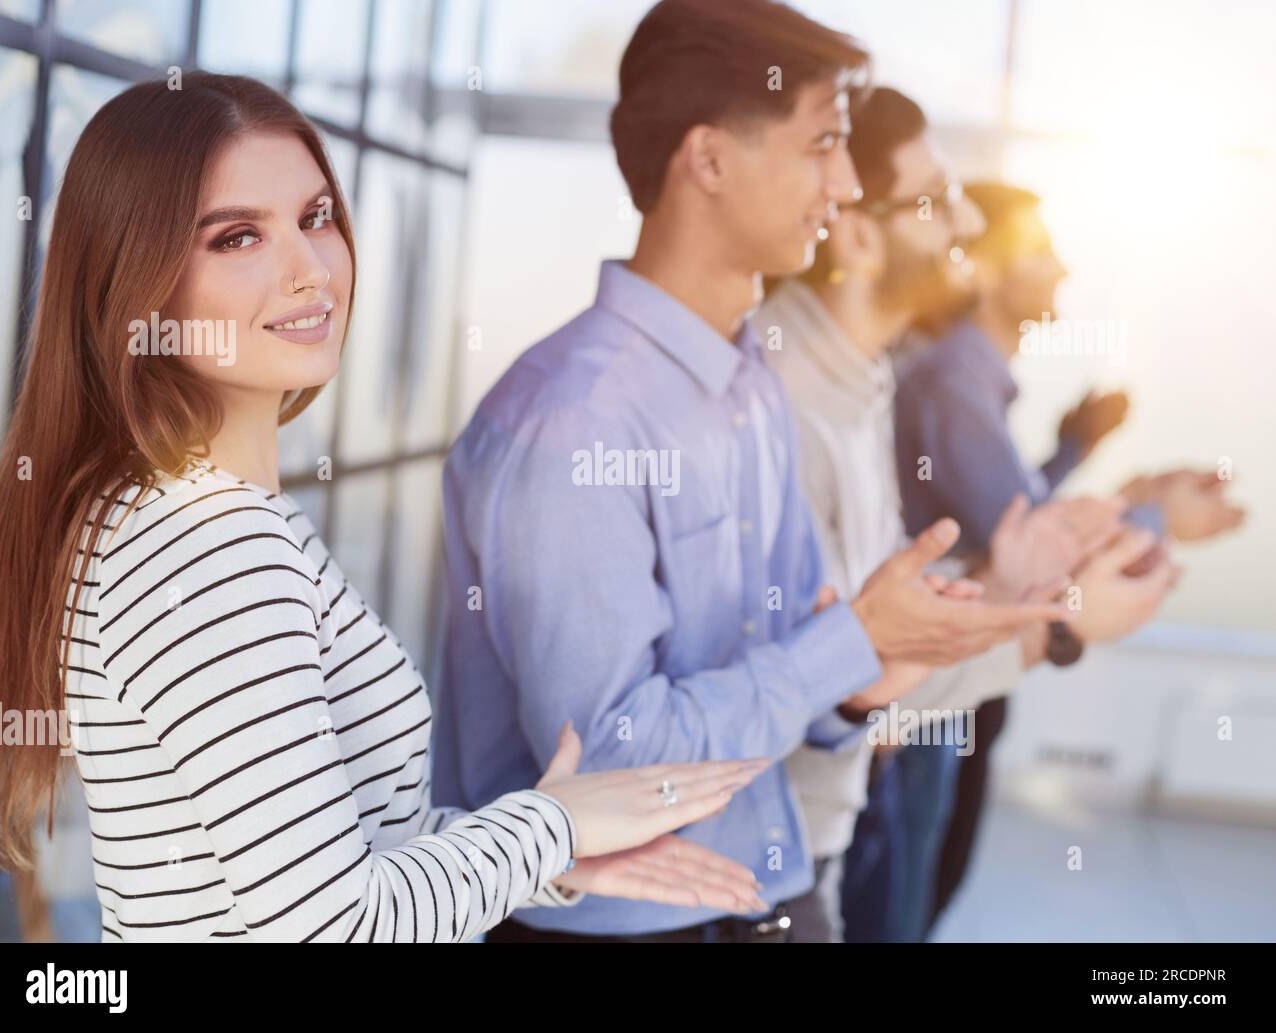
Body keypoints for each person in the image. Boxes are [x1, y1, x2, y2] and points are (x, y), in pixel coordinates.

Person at [0, 72, 772, 943]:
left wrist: (543, 852)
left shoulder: (161, 509)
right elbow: (331, 926)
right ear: (140, 285)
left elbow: (338, 859)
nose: (310, 270)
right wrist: (555, 825)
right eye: (237, 237)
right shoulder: (211, 549)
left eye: (316, 218)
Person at [434, 0, 1067, 944]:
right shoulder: (573, 420)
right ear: (711, 161)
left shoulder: (750, 389)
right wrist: (847, 643)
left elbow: (795, 665)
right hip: (616, 929)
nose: (844, 184)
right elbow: (615, 766)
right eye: (823, 145)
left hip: (761, 896)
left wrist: (861, 674)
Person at [756, 85, 1170, 942]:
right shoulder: (835, 391)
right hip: (806, 815)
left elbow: (885, 625)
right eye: (934, 204)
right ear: (859, 232)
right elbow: (846, 670)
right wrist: (1061, 609)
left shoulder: (868, 383)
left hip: (845, 786)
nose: (960, 234)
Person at [894, 179, 1246, 930]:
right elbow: (1026, 539)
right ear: (987, 268)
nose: (1062, 270)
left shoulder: (970, 378)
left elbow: (1010, 513)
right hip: (929, 676)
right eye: (1041, 252)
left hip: (950, 667)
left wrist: (1086, 456)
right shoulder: (956, 379)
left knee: (926, 884)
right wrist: (1152, 513)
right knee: (904, 899)